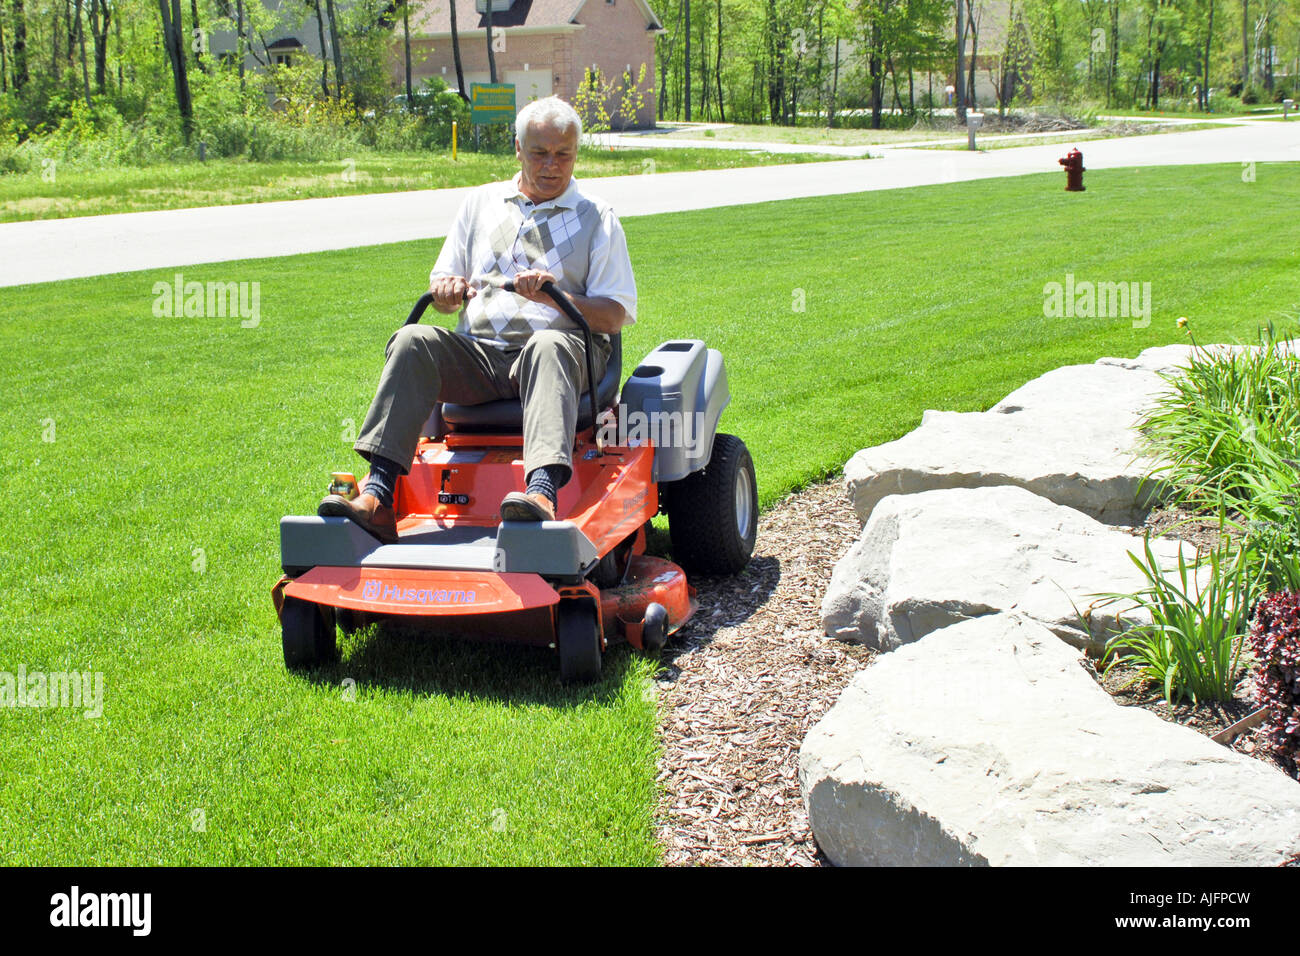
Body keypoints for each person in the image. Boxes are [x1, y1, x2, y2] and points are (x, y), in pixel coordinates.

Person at [318, 96, 637, 542]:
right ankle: (377, 495)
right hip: (481, 357)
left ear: (575, 153)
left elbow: (615, 315)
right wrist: (447, 293)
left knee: (548, 344)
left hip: (562, 356)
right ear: (517, 149)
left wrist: (556, 298)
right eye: (539, 153)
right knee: (412, 339)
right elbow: (445, 288)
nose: (551, 165)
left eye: (563, 154)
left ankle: (541, 494)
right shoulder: (480, 204)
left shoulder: (597, 217)